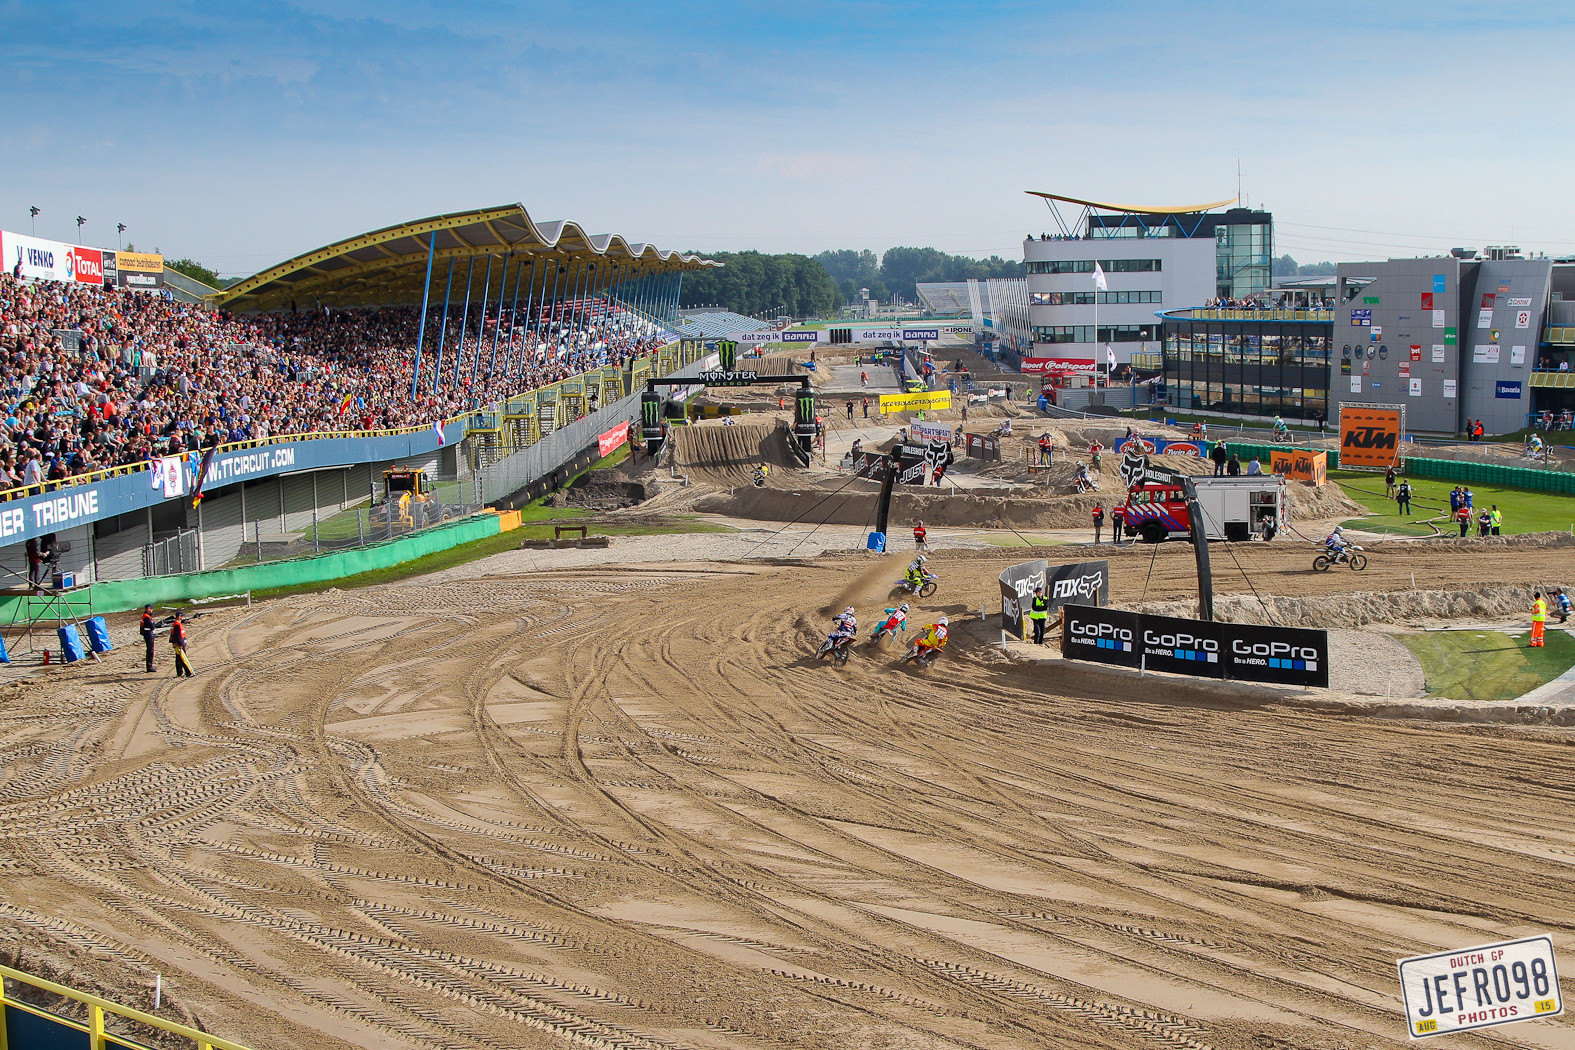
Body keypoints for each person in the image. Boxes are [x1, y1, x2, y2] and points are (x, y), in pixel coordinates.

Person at [170, 611, 195, 678]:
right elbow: (178, 636)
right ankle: (188, 672)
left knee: (178, 658)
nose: (182, 617)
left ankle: (179, 672)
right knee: (183, 658)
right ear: (179, 616)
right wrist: (180, 644)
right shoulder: (177, 625)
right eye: (181, 616)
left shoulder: (176, 624)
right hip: (179, 644)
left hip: (177, 644)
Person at [140, 604, 157, 673]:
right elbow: (152, 626)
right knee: (150, 651)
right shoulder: (146, 617)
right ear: (149, 609)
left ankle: (150, 666)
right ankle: (149, 666)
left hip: (148, 634)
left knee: (150, 650)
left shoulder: (146, 616)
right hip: (148, 635)